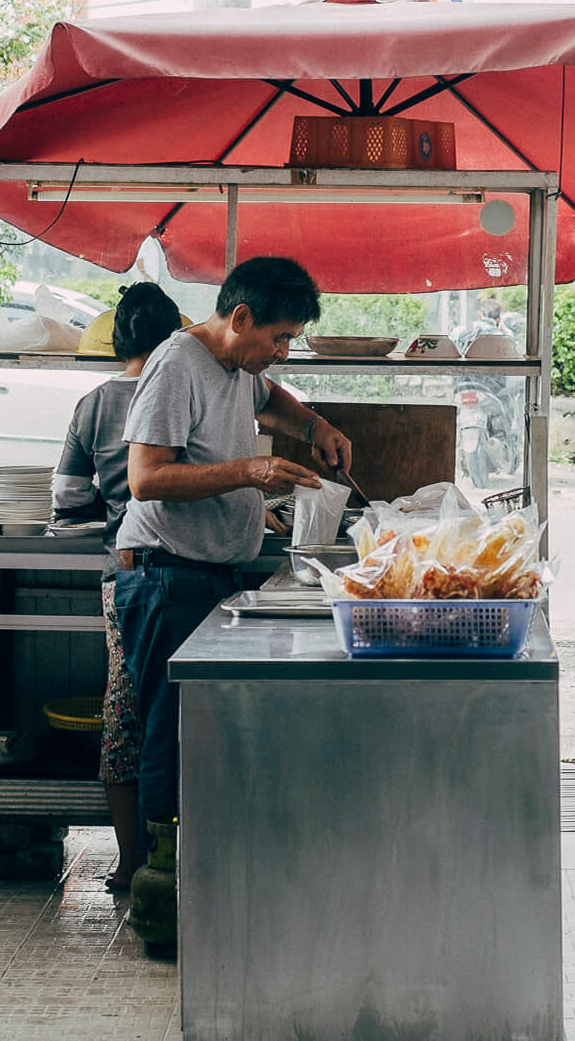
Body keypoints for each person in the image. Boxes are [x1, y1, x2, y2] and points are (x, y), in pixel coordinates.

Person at [112, 256, 353, 853]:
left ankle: (197, 874)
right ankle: (162, 884)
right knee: (172, 732)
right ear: (241, 318)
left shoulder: (237, 364)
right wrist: (251, 470)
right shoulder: (177, 364)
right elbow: (145, 479)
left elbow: (272, 399)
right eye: (280, 338)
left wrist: (315, 426)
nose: (283, 352)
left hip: (209, 577)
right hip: (167, 578)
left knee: (202, 728)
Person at [53, 281, 184, 891]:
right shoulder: (181, 388)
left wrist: (105, 513)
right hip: (182, 569)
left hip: (121, 572)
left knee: (125, 711)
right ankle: (173, 856)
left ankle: (131, 857)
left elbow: (66, 497)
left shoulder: (95, 403)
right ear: (173, 340)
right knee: (173, 713)